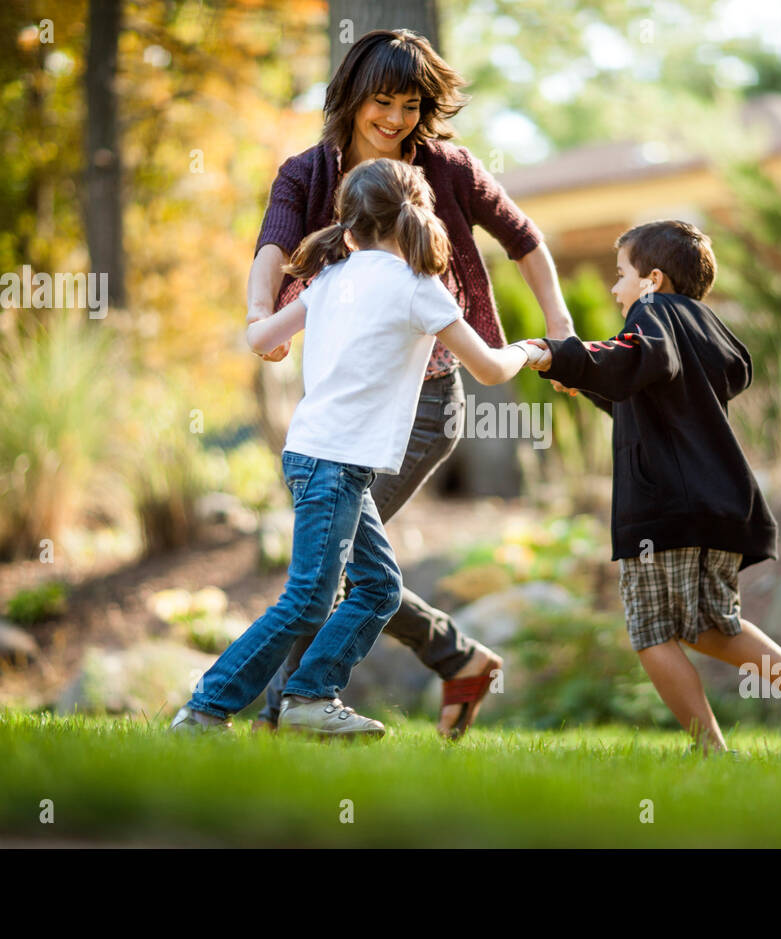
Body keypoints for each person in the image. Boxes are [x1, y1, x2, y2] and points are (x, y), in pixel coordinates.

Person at [247, 28, 577, 739]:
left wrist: (560, 331)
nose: (394, 118)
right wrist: (259, 313)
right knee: (340, 563)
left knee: (327, 570)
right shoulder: (308, 173)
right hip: (336, 413)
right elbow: (273, 246)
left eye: (408, 104)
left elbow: (526, 239)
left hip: (421, 407)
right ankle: (457, 658)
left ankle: (277, 718)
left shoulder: (449, 171)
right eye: (381, 101)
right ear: (352, 98)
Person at [172, 158, 549, 737]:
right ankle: (207, 710)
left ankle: (306, 698)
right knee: (306, 600)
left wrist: (257, 316)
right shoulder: (422, 290)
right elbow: (492, 370)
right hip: (337, 462)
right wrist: (536, 349)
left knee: (377, 587)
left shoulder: (328, 280)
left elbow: (262, 336)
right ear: (416, 219)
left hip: (312, 456)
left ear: (349, 229)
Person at [528, 220, 781, 757]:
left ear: (653, 279)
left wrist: (556, 353)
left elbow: (632, 359)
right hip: (716, 505)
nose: (615, 289)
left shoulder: (652, 313)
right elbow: (640, 394)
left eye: (621, 275)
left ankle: (710, 751)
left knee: (651, 633)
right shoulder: (700, 330)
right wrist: (581, 377)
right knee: (709, 625)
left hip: (664, 511)